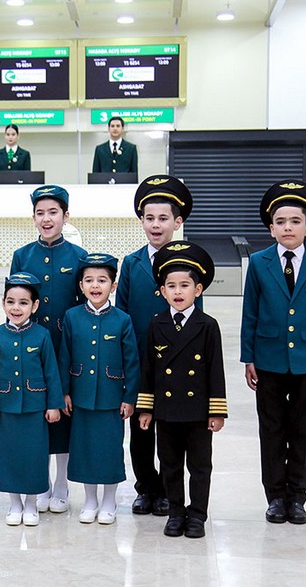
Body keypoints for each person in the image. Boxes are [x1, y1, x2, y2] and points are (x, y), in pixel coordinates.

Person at [241, 181, 306, 525]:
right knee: (271, 430)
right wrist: (248, 357)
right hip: (267, 360)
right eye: (280, 221)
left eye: (295, 221)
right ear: (271, 228)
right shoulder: (259, 262)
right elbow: (250, 311)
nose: (287, 227)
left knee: (301, 430)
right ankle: (275, 497)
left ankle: (297, 496)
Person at [116, 175, 196, 517]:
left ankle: (166, 488)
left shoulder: (189, 262)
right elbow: (120, 314)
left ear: (177, 222)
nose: (155, 225)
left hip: (176, 362)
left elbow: (196, 317)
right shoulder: (132, 263)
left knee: (171, 428)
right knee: (140, 428)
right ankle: (144, 487)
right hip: (139, 362)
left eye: (163, 218)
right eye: (149, 218)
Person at [137, 241, 227, 539]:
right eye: (171, 286)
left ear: (198, 290)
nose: (177, 292)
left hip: (198, 411)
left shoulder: (208, 325)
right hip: (167, 410)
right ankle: (176, 513)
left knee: (200, 466)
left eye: (184, 285)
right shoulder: (156, 324)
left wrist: (217, 410)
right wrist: (146, 407)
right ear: (162, 292)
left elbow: (215, 370)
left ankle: (197, 514)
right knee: (171, 465)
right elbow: (149, 369)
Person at [10, 185, 87, 513]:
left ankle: (61, 484)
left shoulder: (79, 257)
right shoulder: (22, 256)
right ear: (33, 217)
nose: (46, 218)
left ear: (66, 216)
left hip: (66, 349)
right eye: (40, 213)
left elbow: (86, 306)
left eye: (53, 212)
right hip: (30, 349)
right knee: (36, 416)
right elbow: (13, 302)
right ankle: (38, 482)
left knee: (65, 417)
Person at [60, 253, 139, 525]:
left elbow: (132, 362)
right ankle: (90, 500)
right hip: (80, 397)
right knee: (84, 450)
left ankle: (109, 501)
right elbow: (65, 356)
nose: (96, 286)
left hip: (111, 397)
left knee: (109, 450)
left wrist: (130, 397)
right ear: (81, 285)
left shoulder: (122, 320)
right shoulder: (71, 317)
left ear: (113, 286)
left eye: (102, 280)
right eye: (89, 280)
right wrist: (65, 392)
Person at [0, 273, 63, 527]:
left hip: (36, 409)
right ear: (3, 303)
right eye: (11, 302)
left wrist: (53, 404)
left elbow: (51, 371)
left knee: (34, 457)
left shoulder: (42, 335)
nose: (16, 308)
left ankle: (30, 504)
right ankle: (14, 503)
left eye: (23, 302)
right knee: (10, 457)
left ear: (34, 306)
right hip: (6, 408)